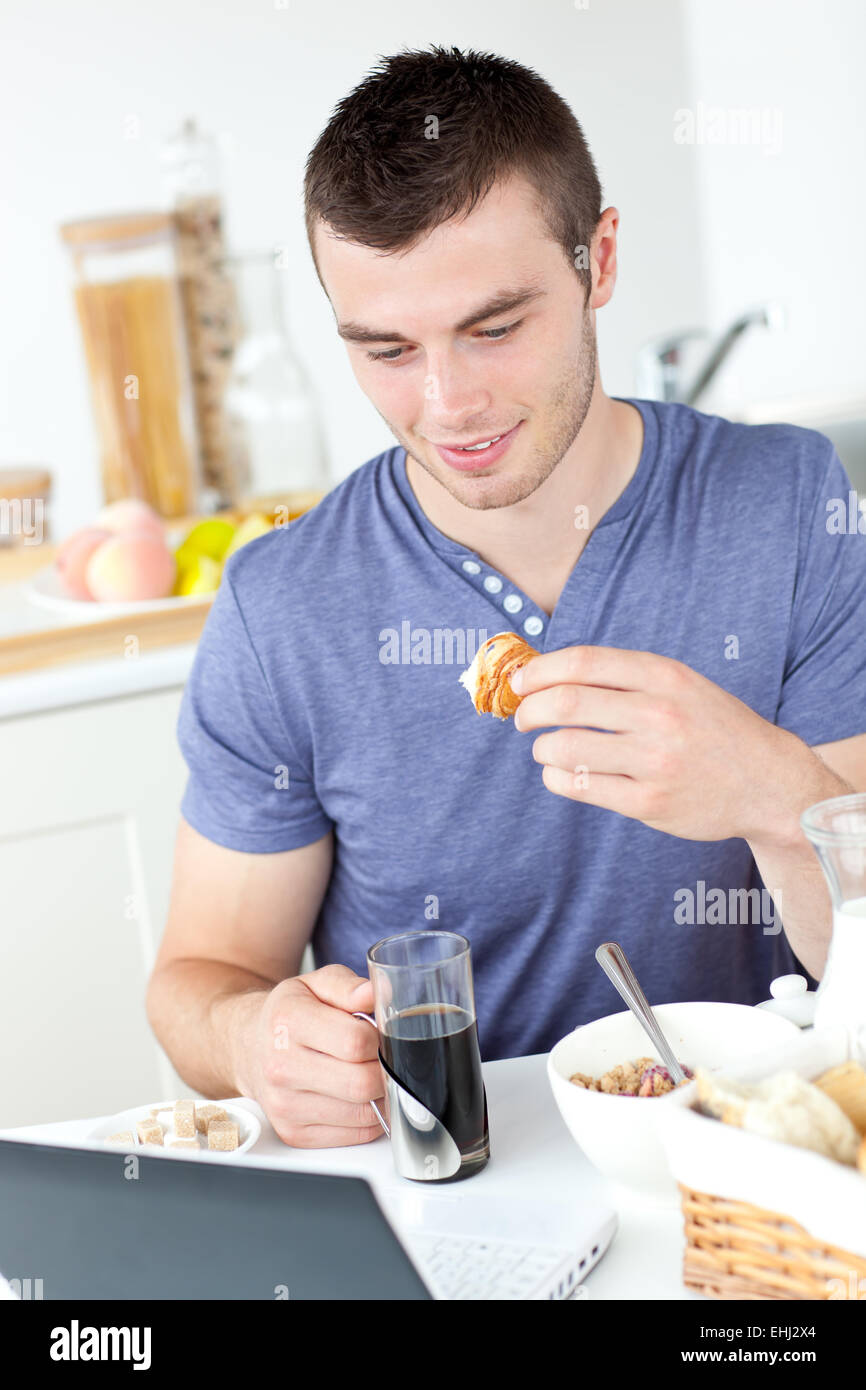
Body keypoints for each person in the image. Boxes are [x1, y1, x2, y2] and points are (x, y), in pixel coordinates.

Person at [146, 46, 866, 1149]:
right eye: (386, 348)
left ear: (600, 260)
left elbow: (855, 970)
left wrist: (774, 794)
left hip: (742, 1170)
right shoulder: (283, 601)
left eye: (493, 327)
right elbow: (200, 980)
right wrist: (255, 1040)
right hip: (451, 1179)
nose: (447, 405)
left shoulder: (788, 503)